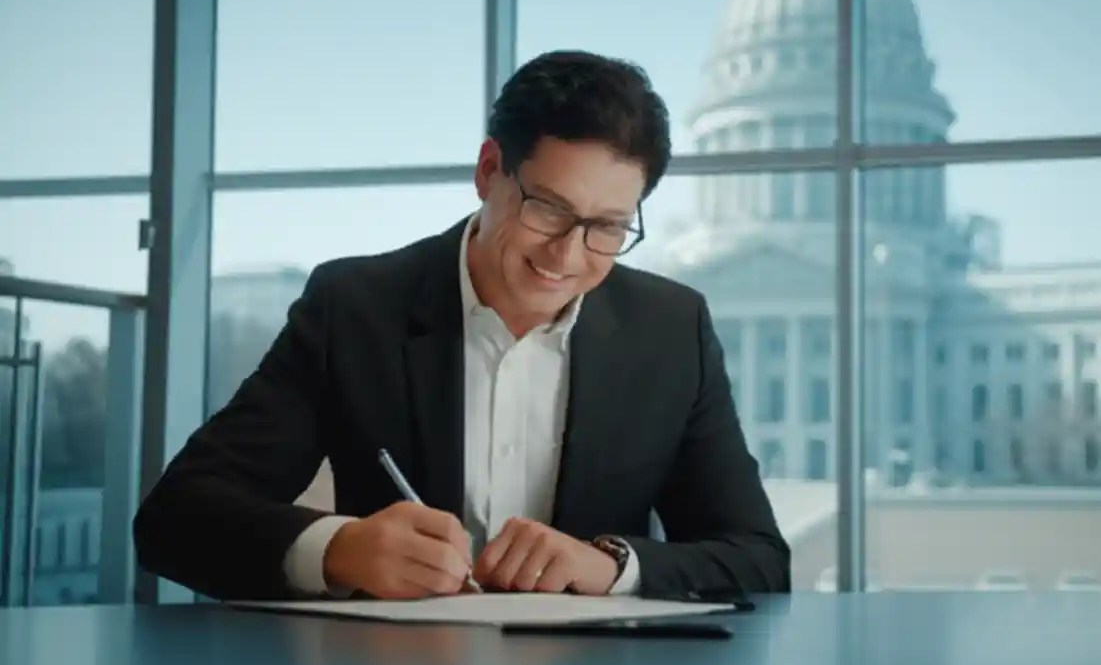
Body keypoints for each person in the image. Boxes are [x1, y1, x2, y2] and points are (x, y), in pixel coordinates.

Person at [133, 50, 790, 601]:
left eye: (608, 227)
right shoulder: (355, 307)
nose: (566, 255)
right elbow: (175, 519)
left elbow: (759, 560)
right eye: (548, 209)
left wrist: (614, 566)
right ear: (487, 172)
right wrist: (338, 549)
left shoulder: (671, 329)